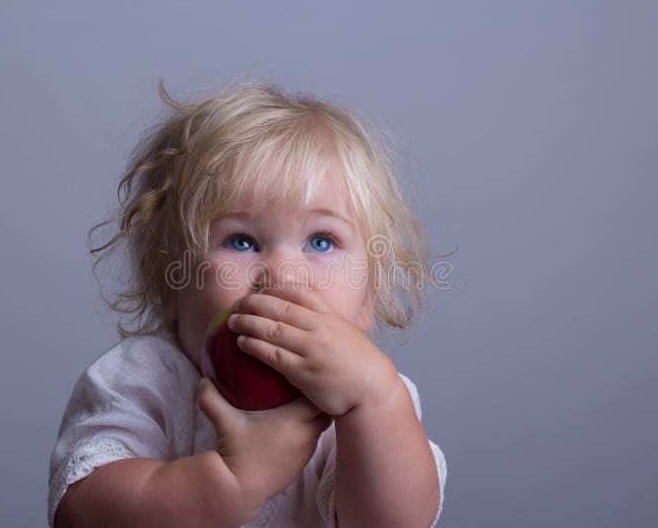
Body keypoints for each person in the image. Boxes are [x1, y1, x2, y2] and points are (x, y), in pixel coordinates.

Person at [48, 79, 448, 527]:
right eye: (241, 241)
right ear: (168, 285)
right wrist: (233, 481)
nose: (284, 274)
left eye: (321, 241)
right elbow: (80, 514)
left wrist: (376, 400)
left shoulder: (367, 397)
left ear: (367, 297)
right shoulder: (143, 379)